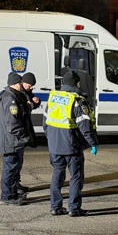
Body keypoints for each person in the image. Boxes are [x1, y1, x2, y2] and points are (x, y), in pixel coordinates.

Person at [43, 70, 98, 217]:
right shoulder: (77, 100)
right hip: (71, 147)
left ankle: (55, 207)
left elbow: (45, 123)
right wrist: (93, 143)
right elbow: (84, 126)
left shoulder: (53, 98)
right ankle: (74, 208)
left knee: (57, 176)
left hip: (55, 146)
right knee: (76, 177)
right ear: (76, 84)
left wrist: (52, 139)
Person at [0, 72, 34, 205]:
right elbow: (12, 124)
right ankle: (7, 196)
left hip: (12, 141)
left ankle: (13, 191)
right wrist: (24, 136)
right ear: (15, 84)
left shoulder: (13, 96)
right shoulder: (10, 99)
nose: (22, 85)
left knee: (14, 167)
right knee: (10, 168)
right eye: (20, 83)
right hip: (11, 141)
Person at [16, 72, 40, 194]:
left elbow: (31, 103)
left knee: (19, 161)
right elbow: (20, 111)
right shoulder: (18, 93)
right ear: (23, 82)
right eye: (29, 85)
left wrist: (36, 102)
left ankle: (17, 183)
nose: (30, 87)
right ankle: (13, 187)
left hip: (24, 130)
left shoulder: (26, 92)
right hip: (18, 133)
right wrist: (29, 106)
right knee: (14, 163)